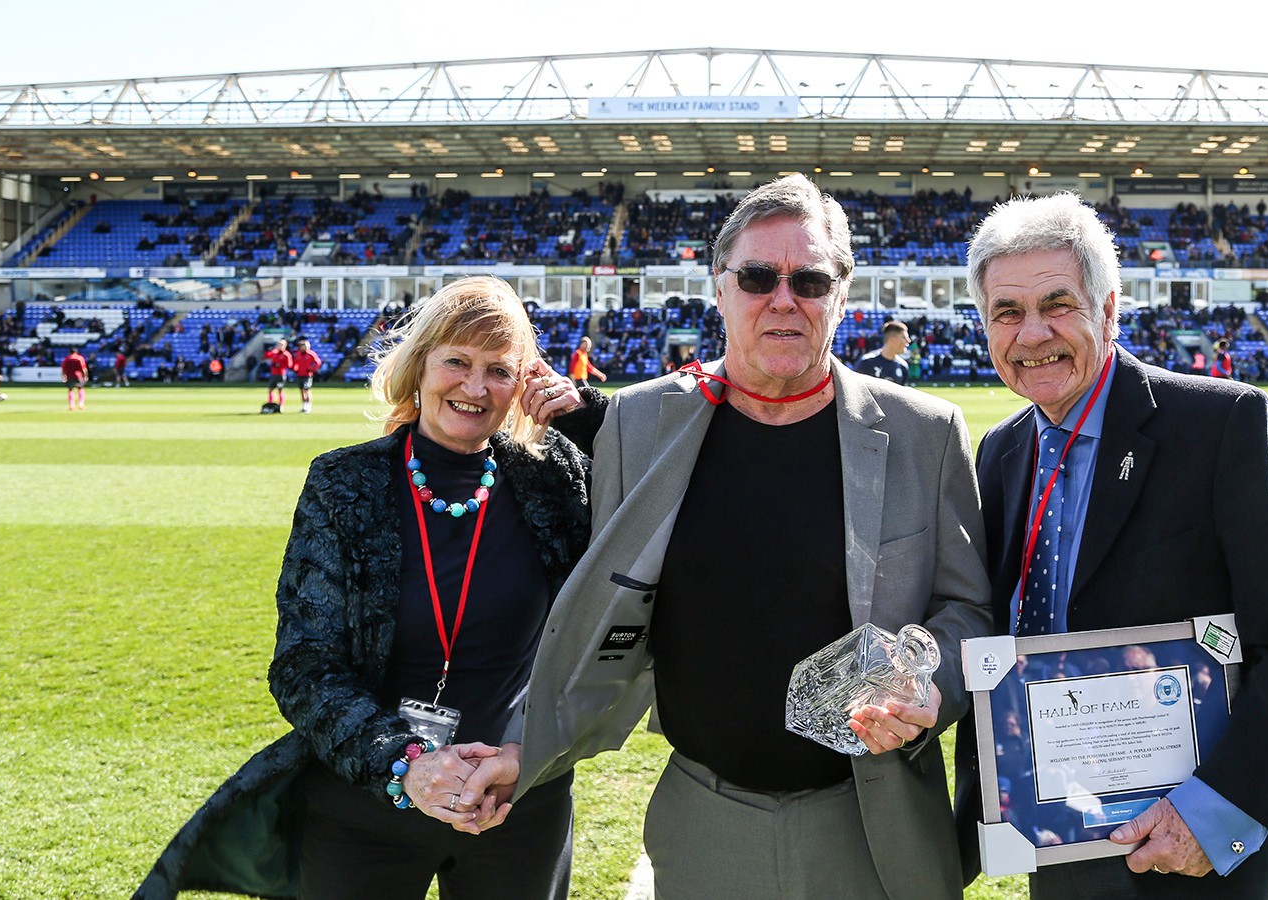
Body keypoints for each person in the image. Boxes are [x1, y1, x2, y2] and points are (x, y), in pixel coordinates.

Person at [459, 174, 992, 899]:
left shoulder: (925, 432)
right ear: (719, 289)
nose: (783, 299)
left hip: (873, 819)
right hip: (703, 819)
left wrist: (929, 686)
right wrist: (524, 748)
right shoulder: (639, 423)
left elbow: (968, 613)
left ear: (841, 293)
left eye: (808, 279)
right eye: (757, 277)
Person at [133, 276, 606, 900]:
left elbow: (647, 574)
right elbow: (303, 666)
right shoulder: (343, 484)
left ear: (524, 381)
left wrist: (588, 419)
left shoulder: (557, 478)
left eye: (498, 369)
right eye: (456, 362)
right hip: (368, 806)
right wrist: (408, 765)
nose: (473, 386)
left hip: (516, 799)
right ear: (417, 368)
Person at [954, 193, 1268, 898]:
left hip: (1183, 854)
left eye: (1058, 304)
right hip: (1058, 836)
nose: (1032, 333)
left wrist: (1212, 816)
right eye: (1007, 312)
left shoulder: (1218, 424)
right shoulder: (1001, 451)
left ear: (1108, 310)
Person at [854, 319, 911, 384]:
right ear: (892, 340)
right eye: (904, 337)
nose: (908, 341)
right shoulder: (867, 362)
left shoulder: (903, 366)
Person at [289, 338, 323, 413]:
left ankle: (308, 406)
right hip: (300, 374)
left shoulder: (311, 354)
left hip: (307, 375)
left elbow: (318, 362)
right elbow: (295, 363)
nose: (303, 347)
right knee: (301, 391)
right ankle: (304, 406)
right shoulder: (298, 354)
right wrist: (295, 369)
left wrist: (312, 369)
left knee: (307, 390)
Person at [264, 338, 293, 409]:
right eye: (279, 344)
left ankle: (281, 405)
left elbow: (289, 365)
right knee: (270, 389)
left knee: (280, 390)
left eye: (281, 345)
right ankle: (270, 404)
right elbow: (266, 356)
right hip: (273, 374)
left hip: (281, 375)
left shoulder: (286, 354)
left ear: (285, 346)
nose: (280, 346)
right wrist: (268, 350)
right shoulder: (274, 352)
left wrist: (280, 365)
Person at [62, 346, 89, 411]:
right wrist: (85, 376)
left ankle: (71, 405)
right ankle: (81, 404)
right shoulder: (80, 358)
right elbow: (84, 368)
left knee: (70, 390)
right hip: (78, 376)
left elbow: (63, 369)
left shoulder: (67, 358)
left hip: (69, 376)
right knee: (80, 389)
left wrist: (64, 376)